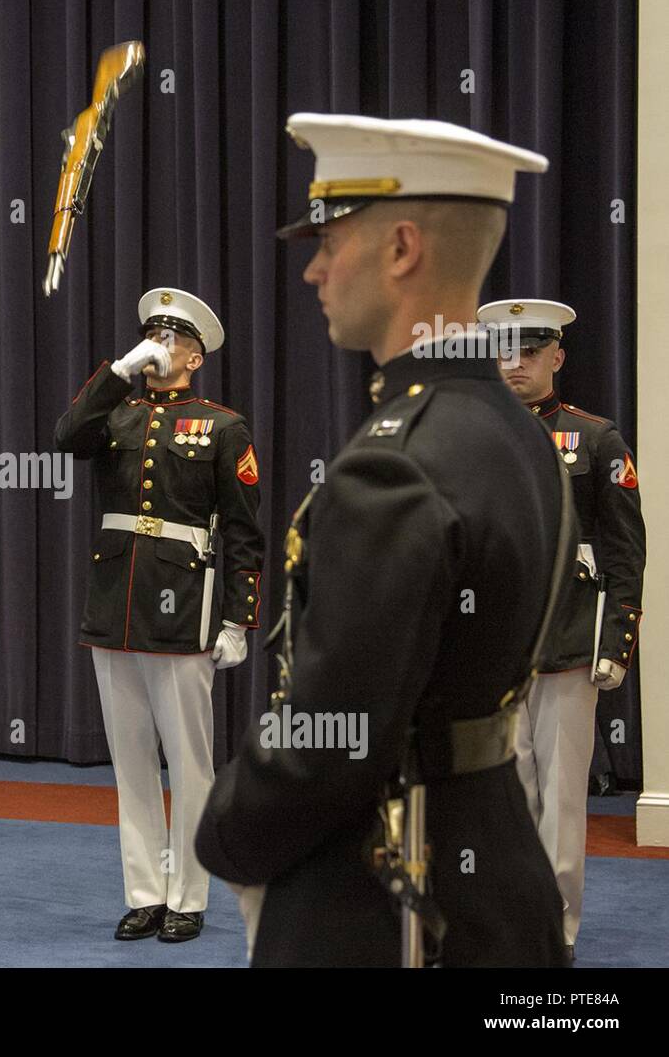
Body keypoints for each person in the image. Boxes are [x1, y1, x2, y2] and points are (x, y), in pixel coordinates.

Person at [196, 114, 572, 967]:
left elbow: (331, 733)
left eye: (330, 240)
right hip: (503, 872)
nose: (313, 268)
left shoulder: (394, 465)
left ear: (402, 248)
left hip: (390, 900)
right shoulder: (519, 434)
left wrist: (223, 830)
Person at [55, 289, 264, 943]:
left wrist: (238, 618)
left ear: (195, 356)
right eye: (151, 334)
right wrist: (117, 373)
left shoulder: (222, 426)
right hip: (115, 602)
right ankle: (144, 891)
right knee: (132, 763)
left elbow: (243, 532)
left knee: (190, 762)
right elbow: (67, 438)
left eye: (172, 339)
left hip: (183, 609)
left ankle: (188, 896)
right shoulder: (116, 412)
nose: (158, 346)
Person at [479, 298, 646, 961]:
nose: (513, 364)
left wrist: (618, 641)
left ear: (557, 356)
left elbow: (625, 550)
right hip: (491, 645)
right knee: (499, 794)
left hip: (572, 639)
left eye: (528, 351)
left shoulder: (597, 438)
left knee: (560, 798)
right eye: (503, 351)